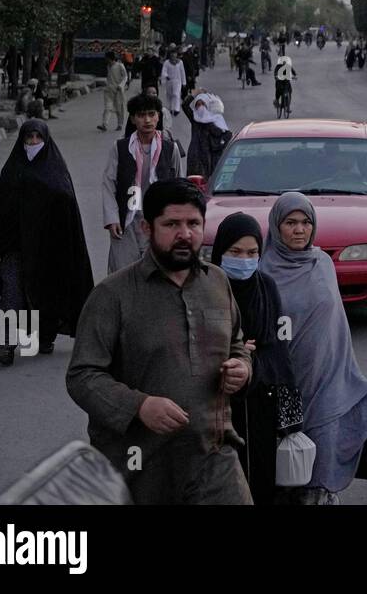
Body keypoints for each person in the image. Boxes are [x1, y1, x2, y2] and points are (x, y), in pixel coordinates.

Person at [66, 179, 253, 505]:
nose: (185, 234)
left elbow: (236, 343)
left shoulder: (217, 282)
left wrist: (242, 367)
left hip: (213, 454)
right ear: (147, 228)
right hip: (140, 463)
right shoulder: (112, 295)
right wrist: (139, 405)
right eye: (171, 224)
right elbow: (82, 375)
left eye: (193, 223)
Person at [261, 192, 367, 504]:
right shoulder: (264, 273)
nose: (299, 229)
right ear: (277, 227)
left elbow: (336, 324)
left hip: (329, 376)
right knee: (292, 458)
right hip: (288, 382)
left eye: (305, 222)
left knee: (325, 444)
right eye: (290, 223)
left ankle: (322, 494)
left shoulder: (323, 263)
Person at [213, 212, 304, 506]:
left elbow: (279, 349)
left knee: (260, 479)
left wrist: (252, 360)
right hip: (215, 406)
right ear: (220, 252)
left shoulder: (267, 287)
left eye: (252, 253)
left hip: (260, 406)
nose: (244, 260)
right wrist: (233, 352)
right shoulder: (207, 289)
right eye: (235, 252)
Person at [0, 119, 94, 364]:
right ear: (22, 140)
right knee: (12, 295)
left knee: (47, 293)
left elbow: (67, 206)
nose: (33, 142)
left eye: (38, 138)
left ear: (46, 141)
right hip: (15, 247)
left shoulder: (55, 169)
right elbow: (1, 210)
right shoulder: (12, 169)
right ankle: (5, 346)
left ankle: (45, 335)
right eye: (28, 138)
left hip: (49, 249)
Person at [104, 96, 185, 274]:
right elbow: (109, 184)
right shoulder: (120, 148)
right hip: (127, 221)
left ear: (158, 117)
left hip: (158, 221)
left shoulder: (171, 149)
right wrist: (112, 219)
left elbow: (178, 185)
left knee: (157, 273)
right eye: (141, 115)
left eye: (151, 114)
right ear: (133, 119)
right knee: (124, 273)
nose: (147, 120)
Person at [187, 91, 233, 177]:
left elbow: (225, 135)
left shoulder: (214, 120)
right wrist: (195, 93)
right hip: (195, 157)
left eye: (202, 104)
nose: (200, 107)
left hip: (209, 159)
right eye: (198, 104)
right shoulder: (195, 120)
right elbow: (185, 105)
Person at [97, 50, 128, 132]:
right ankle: (104, 124)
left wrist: (121, 85)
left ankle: (120, 124)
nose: (105, 60)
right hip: (109, 90)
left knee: (119, 108)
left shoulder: (120, 65)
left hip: (118, 90)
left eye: (106, 58)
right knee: (107, 107)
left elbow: (125, 77)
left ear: (110, 58)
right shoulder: (108, 66)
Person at [160, 45, 187, 117]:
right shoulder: (167, 62)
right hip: (169, 81)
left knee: (176, 94)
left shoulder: (180, 62)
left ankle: (176, 109)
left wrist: (184, 82)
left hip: (177, 81)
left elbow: (182, 72)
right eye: (172, 53)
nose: (173, 55)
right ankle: (170, 108)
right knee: (169, 95)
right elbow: (164, 70)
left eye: (174, 53)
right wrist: (166, 76)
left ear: (176, 54)